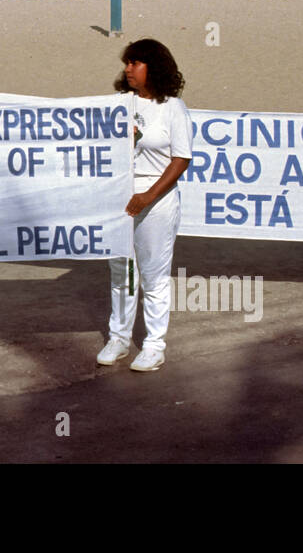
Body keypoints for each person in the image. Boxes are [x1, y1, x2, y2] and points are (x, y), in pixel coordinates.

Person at [99, 39, 194, 372]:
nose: (128, 69)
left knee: (153, 274)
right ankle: (119, 338)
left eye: (135, 63)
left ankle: (154, 345)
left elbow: (181, 159)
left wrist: (148, 196)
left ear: (154, 67)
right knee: (121, 272)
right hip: (120, 198)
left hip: (156, 201)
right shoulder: (118, 104)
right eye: (126, 63)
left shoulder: (173, 108)